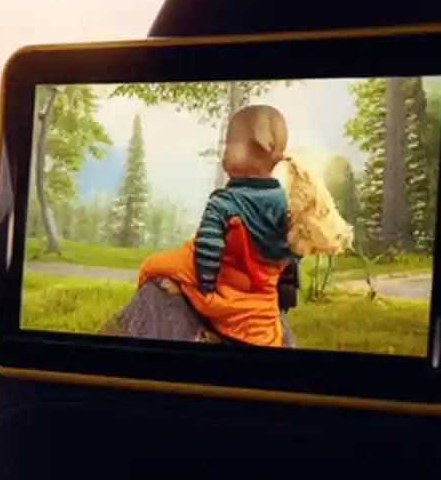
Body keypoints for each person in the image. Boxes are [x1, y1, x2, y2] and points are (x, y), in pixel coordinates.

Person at [134, 104, 351, 346]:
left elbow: (207, 251)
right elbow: (291, 254)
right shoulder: (287, 203)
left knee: (152, 265)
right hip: (259, 295)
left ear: (255, 149)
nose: (223, 150)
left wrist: (206, 289)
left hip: (222, 288)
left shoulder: (224, 202)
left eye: (231, 143)